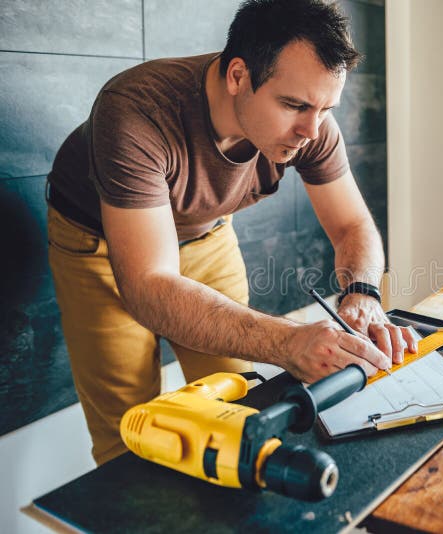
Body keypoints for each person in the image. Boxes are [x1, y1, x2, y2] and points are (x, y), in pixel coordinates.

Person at [46, 0, 415, 465]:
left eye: (325, 108)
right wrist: (286, 340)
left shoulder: (311, 121)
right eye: (295, 105)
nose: (311, 129)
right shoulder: (135, 111)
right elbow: (148, 285)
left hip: (206, 235)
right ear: (238, 76)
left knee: (241, 409)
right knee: (131, 436)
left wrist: (362, 294)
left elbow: (352, 225)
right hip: (99, 246)